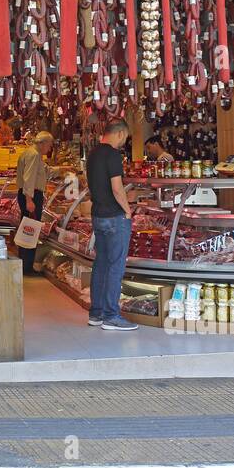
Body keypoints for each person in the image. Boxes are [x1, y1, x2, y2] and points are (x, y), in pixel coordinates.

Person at [87, 119, 137, 330]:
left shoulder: (93, 154)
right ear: (119, 133)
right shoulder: (112, 155)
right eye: (124, 138)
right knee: (116, 267)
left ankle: (96, 313)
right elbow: (117, 188)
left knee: (101, 265)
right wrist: (127, 211)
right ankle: (111, 316)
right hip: (115, 218)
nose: (123, 142)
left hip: (98, 215)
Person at [14, 131, 53, 276]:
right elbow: (29, 178)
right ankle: (27, 267)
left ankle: (24, 264)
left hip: (27, 194)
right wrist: (29, 200)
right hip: (31, 195)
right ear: (42, 143)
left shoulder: (28, 152)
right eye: (48, 146)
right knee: (30, 230)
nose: (49, 149)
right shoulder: (34, 155)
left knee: (27, 229)